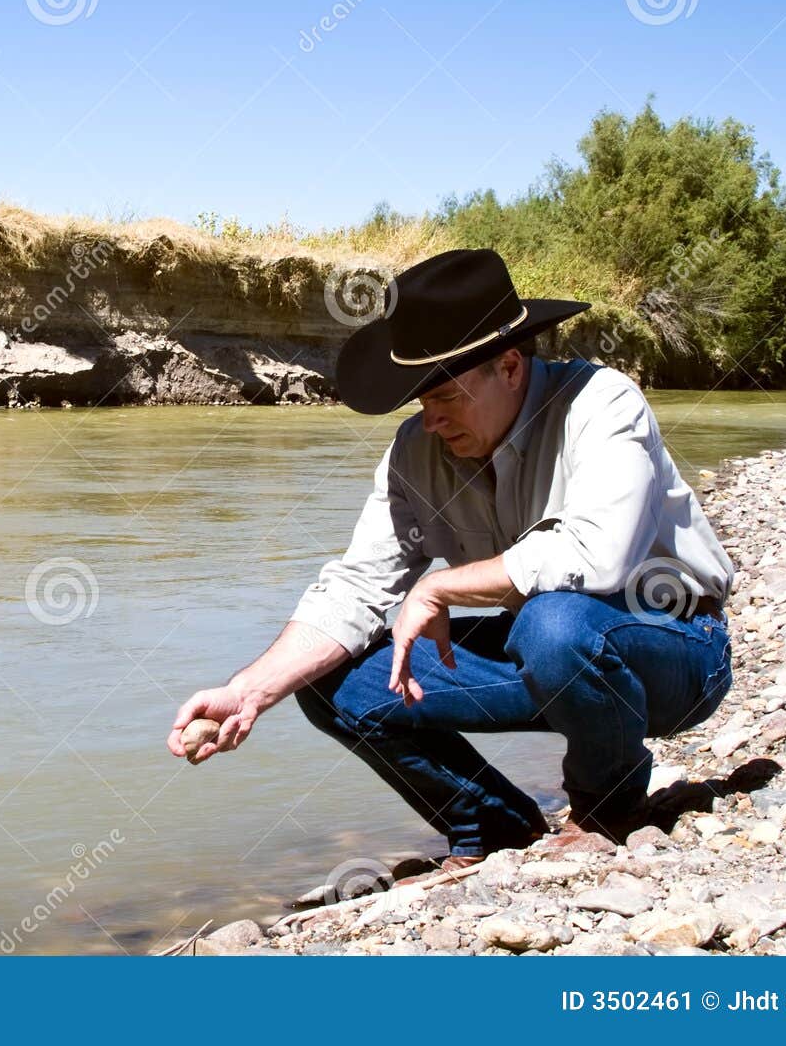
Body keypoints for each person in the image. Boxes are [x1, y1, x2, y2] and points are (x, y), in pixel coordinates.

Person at [166, 248, 736, 869]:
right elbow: (357, 586)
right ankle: (492, 827)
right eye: (418, 401)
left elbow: (597, 556)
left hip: (676, 649)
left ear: (510, 366)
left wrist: (438, 590)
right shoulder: (417, 452)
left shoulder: (602, 403)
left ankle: (607, 807)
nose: (430, 420)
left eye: (444, 396)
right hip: (546, 657)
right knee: (331, 685)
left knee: (553, 623)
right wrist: (248, 690)